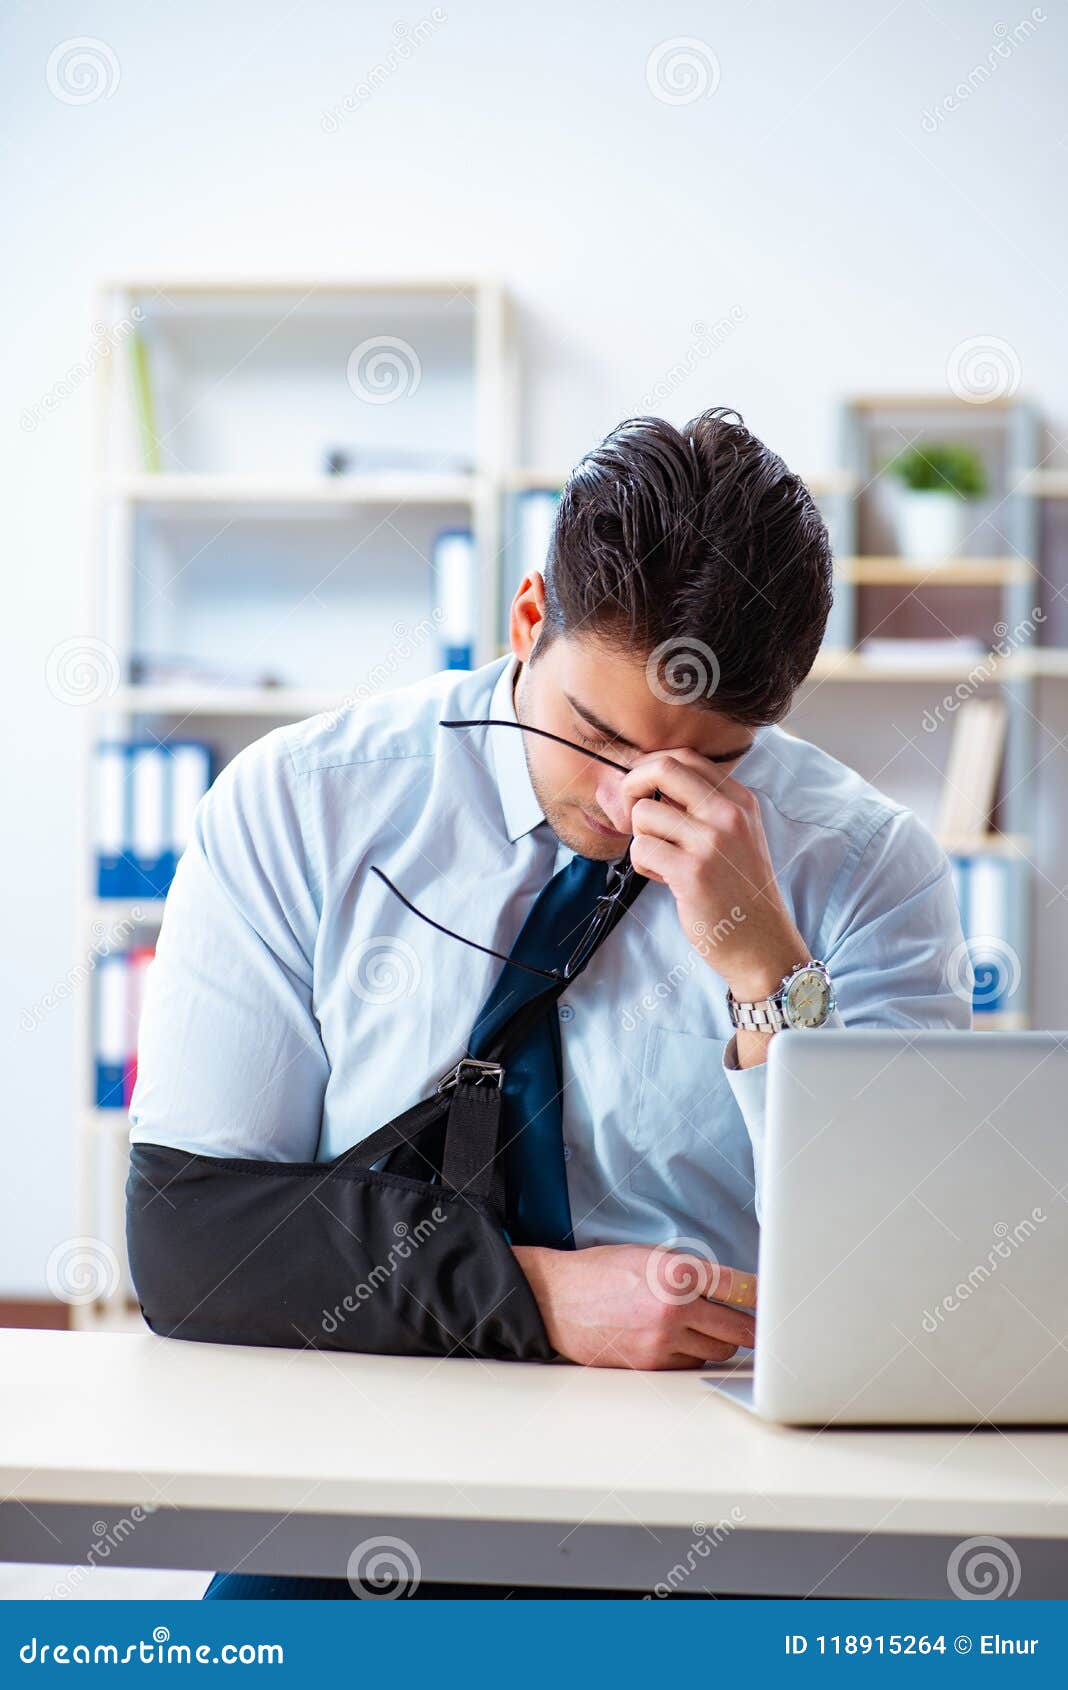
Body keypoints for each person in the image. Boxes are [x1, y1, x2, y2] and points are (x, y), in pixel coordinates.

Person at [128, 407, 969, 1598]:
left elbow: (908, 1287)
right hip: (359, 1461)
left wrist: (768, 974)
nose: (636, 804)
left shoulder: (871, 868)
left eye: (712, 762)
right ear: (529, 619)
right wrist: (531, 1297)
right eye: (600, 735)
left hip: (729, 1499)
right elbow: (190, 1236)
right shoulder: (296, 805)